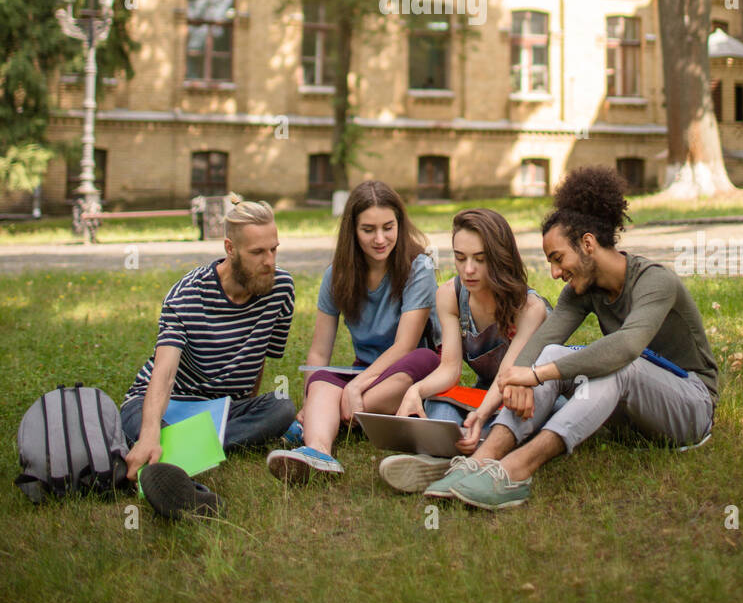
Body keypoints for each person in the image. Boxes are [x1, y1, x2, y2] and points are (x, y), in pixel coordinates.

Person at [437, 166, 719, 510]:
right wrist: (519, 380)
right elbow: (543, 342)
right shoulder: (581, 290)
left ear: (587, 243)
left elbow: (626, 347)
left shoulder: (656, 282)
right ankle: (481, 461)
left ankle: (514, 471)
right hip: (630, 414)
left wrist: (537, 374)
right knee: (555, 351)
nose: (555, 273)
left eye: (558, 259)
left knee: (619, 364)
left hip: (691, 405)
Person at [122, 199, 297, 504]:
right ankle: (183, 482)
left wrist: (245, 404)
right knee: (140, 423)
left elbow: (258, 361)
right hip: (165, 404)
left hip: (220, 410)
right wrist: (150, 431)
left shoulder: (280, 288)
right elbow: (163, 374)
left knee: (281, 406)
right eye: (257, 252)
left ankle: (172, 458)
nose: (269, 261)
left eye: (274, 249)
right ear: (230, 248)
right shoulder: (187, 293)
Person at [266, 179, 440, 483]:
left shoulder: (419, 268)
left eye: (388, 227)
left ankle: (331, 417)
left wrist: (355, 388)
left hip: (411, 371)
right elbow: (320, 351)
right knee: (321, 380)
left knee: (422, 356)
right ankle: (318, 452)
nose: (380, 238)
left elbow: (404, 346)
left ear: (400, 224)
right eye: (368, 229)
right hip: (365, 373)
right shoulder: (336, 276)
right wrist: (310, 401)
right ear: (352, 231)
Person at [377, 208, 550, 494]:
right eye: (460, 258)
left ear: (500, 257)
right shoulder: (450, 294)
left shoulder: (530, 308)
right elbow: (450, 369)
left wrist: (481, 413)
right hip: (483, 394)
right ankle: (459, 454)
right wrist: (415, 392)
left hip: (524, 395)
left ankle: (447, 459)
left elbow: (508, 374)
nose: (468, 269)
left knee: (514, 415)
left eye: (480, 260)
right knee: (440, 405)